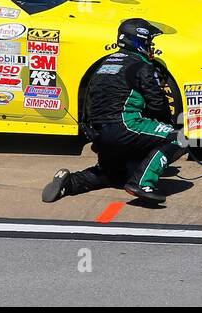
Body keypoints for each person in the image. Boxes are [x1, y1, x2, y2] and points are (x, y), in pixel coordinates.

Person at [42, 18, 181, 206]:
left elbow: (88, 101)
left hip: (97, 134)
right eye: (149, 42)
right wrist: (167, 126)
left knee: (113, 175)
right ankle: (143, 183)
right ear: (139, 41)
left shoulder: (104, 63)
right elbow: (159, 106)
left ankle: (71, 183)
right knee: (179, 137)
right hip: (124, 127)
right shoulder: (141, 66)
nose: (150, 46)